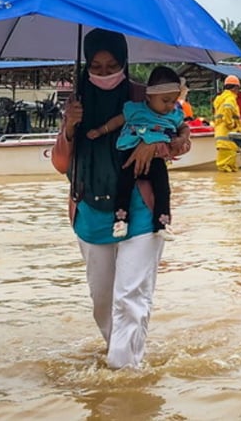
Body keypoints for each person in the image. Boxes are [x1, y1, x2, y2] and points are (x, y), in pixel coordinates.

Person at [51, 28, 191, 369]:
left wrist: (154, 145)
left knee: (130, 298)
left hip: (141, 208)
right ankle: (122, 354)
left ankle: (123, 375)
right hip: (90, 209)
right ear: (85, 67)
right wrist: (70, 128)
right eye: (95, 67)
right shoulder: (75, 103)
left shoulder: (147, 97)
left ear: (125, 63)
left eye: (111, 65)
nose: (103, 73)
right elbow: (60, 164)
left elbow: (181, 142)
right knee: (102, 301)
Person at [86, 66, 188, 238]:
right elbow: (117, 121)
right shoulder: (135, 109)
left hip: (157, 160)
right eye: (165, 100)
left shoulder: (174, 114)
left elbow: (184, 128)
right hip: (130, 156)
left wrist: (182, 138)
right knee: (123, 186)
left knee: (163, 189)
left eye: (173, 101)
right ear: (149, 96)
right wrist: (100, 130)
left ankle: (162, 224)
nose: (170, 106)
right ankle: (120, 221)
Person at [212, 74, 241, 172]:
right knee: (225, 168)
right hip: (227, 138)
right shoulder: (230, 98)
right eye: (238, 89)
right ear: (235, 88)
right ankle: (226, 187)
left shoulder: (221, 99)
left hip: (224, 138)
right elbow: (227, 109)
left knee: (230, 167)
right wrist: (231, 124)